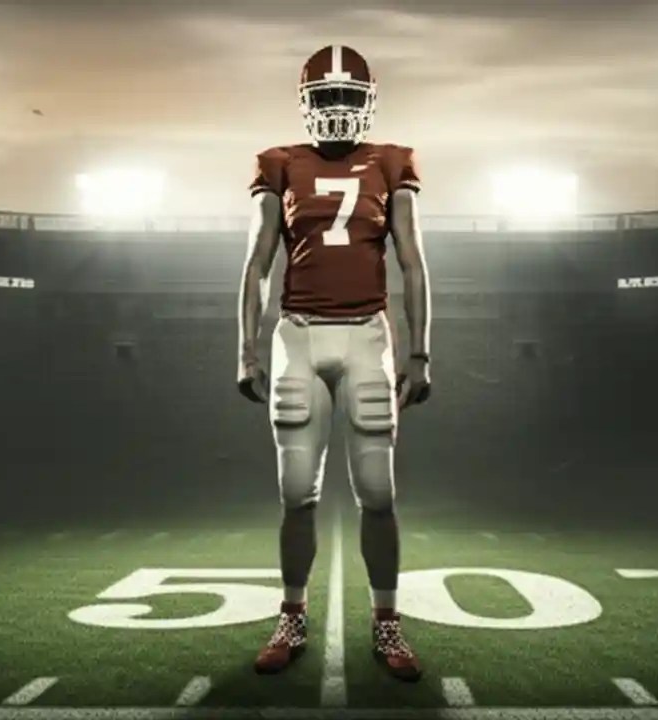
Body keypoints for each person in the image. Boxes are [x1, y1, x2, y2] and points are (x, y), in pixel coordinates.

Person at [236, 44, 432, 682]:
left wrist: (421, 349)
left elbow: (411, 262)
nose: (339, 110)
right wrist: (246, 347)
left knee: (378, 492)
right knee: (297, 492)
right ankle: (292, 615)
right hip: (298, 334)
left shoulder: (393, 162)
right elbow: (258, 261)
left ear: (368, 102)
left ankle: (387, 620)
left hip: (367, 336)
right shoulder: (279, 163)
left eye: (349, 97)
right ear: (306, 103)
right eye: (327, 98)